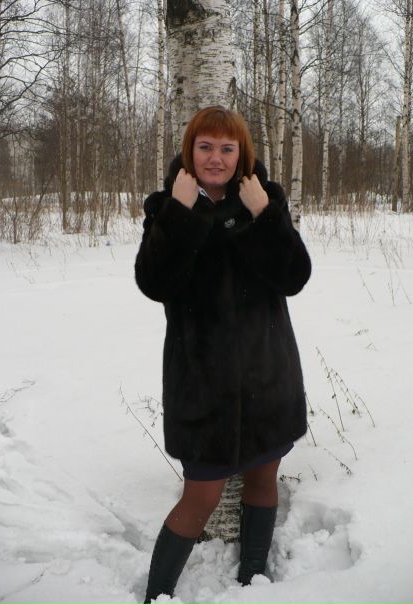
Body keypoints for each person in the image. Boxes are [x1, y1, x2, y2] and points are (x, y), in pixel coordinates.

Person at [135, 106, 311, 603]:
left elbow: (294, 277)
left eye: (227, 148)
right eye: (206, 147)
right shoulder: (167, 206)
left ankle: (254, 582)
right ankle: (157, 595)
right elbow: (154, 283)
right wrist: (178, 213)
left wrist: (265, 215)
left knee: (263, 479)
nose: (216, 158)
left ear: (241, 153)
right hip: (201, 384)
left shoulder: (264, 200)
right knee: (200, 496)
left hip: (268, 376)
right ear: (190, 151)